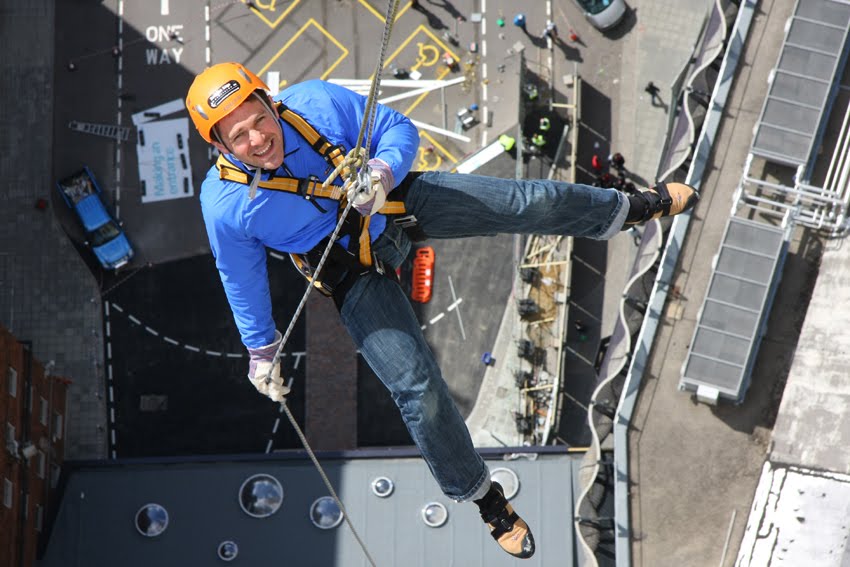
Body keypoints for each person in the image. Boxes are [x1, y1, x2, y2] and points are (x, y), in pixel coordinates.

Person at [185, 62, 698, 559]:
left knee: (522, 202)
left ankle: (631, 208)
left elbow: (394, 128)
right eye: (239, 137)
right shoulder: (225, 205)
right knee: (416, 388)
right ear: (220, 147)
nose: (258, 139)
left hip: (390, 203)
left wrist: (383, 171)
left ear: (271, 104)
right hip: (348, 270)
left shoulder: (316, 103)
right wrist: (262, 350)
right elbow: (240, 275)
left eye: (259, 120)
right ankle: (485, 499)